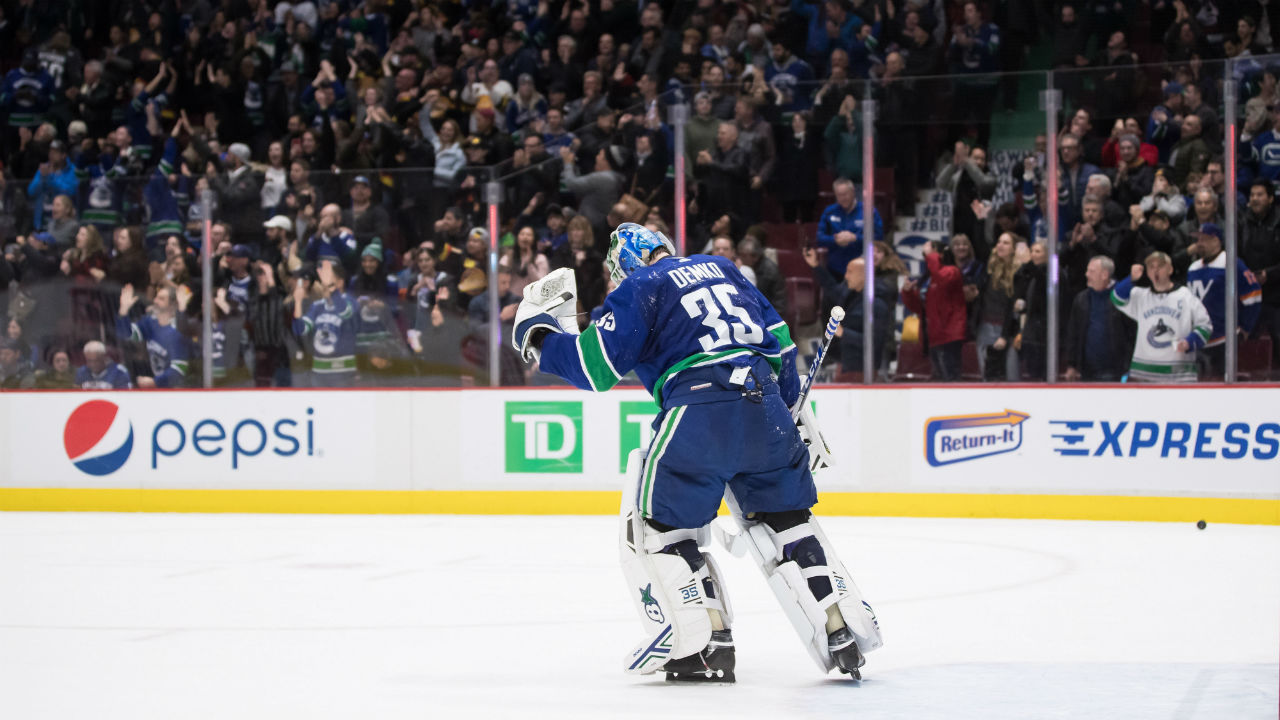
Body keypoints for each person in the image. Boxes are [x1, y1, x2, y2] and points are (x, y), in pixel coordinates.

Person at [513, 223, 880, 682]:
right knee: (788, 519)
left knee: (660, 528)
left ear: (625, 264)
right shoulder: (724, 268)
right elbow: (783, 345)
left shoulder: (643, 285)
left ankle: (706, 642)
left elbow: (595, 367)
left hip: (700, 409)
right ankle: (841, 624)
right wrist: (788, 412)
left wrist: (542, 341)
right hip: (766, 407)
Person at [1111, 251, 1211, 383]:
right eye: (1151, 267)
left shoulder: (1186, 296)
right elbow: (1116, 298)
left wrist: (1190, 342)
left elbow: (1205, 326)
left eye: (1160, 266)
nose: (1155, 270)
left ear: (1170, 269)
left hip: (1178, 375)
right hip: (1144, 373)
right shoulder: (1140, 296)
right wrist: (1131, 279)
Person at [1186, 223, 1263, 377]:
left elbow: (1253, 295)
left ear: (1217, 241)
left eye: (1204, 239)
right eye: (1198, 239)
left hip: (1224, 339)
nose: (1199, 243)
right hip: (1199, 339)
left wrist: (1245, 328)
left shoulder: (1232, 263)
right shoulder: (1193, 268)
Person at [803, 249, 890, 379]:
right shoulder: (850, 294)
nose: (846, 276)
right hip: (845, 363)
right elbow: (832, 289)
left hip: (863, 370)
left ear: (863, 275)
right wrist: (816, 266)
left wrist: (843, 333)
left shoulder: (877, 305)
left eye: (850, 272)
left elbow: (874, 341)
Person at [902, 239, 967, 381]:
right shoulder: (929, 278)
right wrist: (907, 292)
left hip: (949, 334)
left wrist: (932, 255)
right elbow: (919, 307)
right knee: (938, 379)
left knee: (951, 379)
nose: (927, 256)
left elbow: (942, 278)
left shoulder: (952, 272)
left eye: (930, 252)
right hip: (932, 336)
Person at [1064, 256, 1133, 382]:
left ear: (1104, 275)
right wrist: (1072, 364)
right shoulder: (1081, 299)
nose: (1086, 274)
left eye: (1091, 271)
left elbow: (1131, 335)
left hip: (1116, 371)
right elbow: (1073, 334)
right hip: (1087, 371)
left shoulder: (1122, 299)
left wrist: (1127, 367)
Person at [116, 283, 191, 388]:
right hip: (159, 388)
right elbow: (126, 334)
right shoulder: (151, 322)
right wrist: (123, 311)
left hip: (179, 390)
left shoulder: (178, 330)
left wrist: (155, 382)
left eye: (161, 299)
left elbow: (179, 368)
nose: (155, 301)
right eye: (156, 297)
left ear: (173, 304)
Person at [815, 177, 884, 281]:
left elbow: (879, 237)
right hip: (835, 269)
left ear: (853, 192)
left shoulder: (868, 211)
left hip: (861, 269)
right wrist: (835, 239)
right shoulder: (829, 212)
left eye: (845, 194)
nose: (843, 198)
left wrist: (855, 238)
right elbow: (819, 238)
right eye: (839, 195)